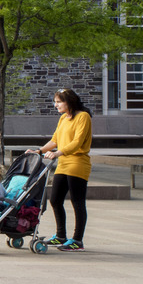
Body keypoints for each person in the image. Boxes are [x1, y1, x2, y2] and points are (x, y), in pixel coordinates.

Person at [38, 88, 93, 252]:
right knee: (55, 199)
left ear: (69, 101)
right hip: (62, 162)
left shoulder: (83, 117)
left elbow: (77, 142)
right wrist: (39, 151)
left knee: (77, 202)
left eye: (59, 102)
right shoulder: (63, 118)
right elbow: (55, 140)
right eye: (55, 102)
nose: (56, 105)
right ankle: (61, 236)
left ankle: (77, 240)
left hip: (77, 162)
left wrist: (59, 152)